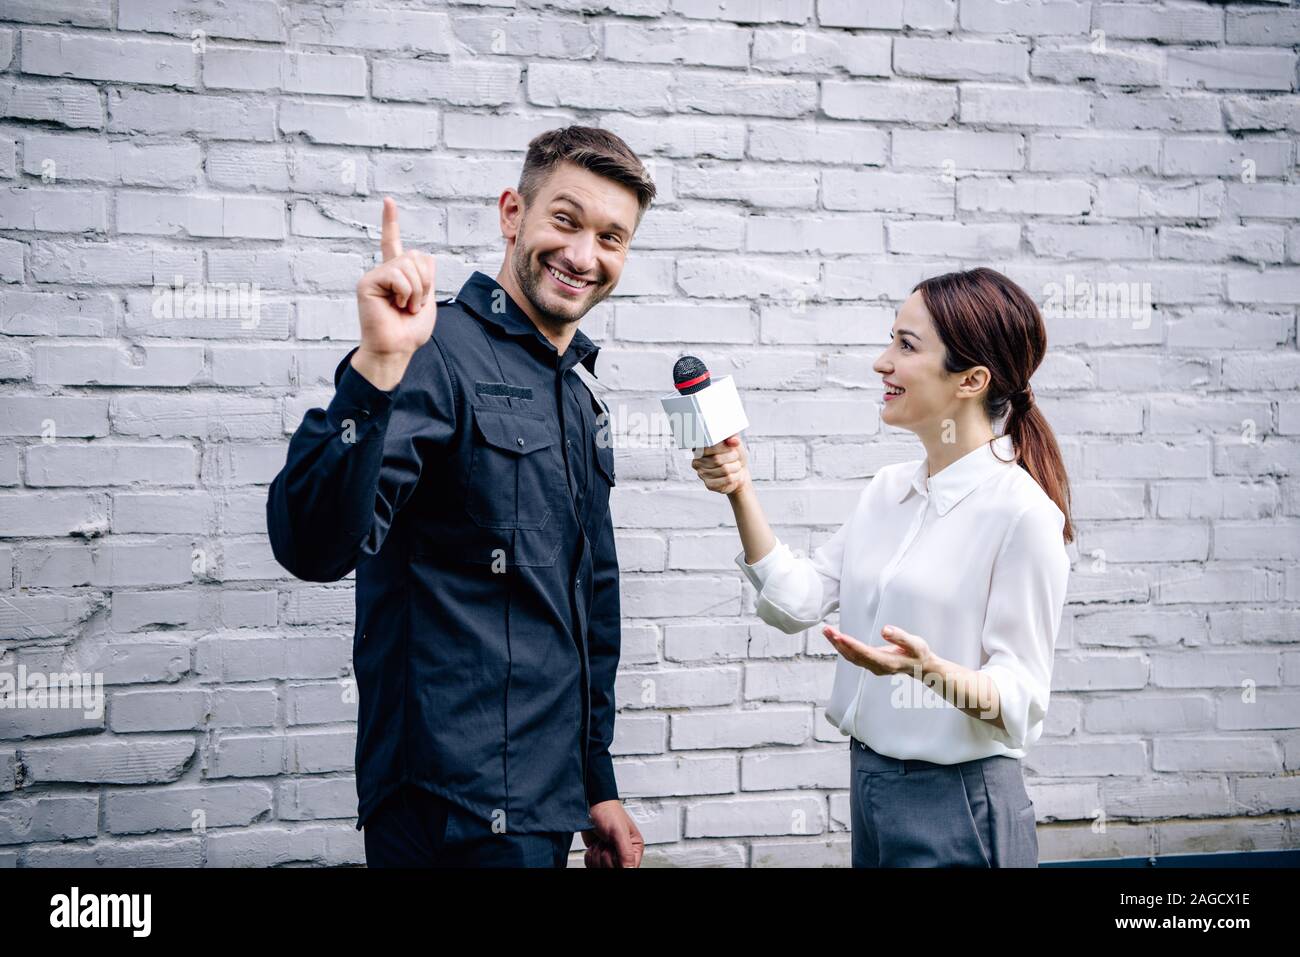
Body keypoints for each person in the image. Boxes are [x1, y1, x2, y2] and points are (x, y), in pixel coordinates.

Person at [266, 127, 655, 867]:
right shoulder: (431, 351)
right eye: (565, 220)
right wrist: (377, 365)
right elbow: (311, 545)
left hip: (542, 806)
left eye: (612, 237)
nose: (584, 255)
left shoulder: (575, 395)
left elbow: (584, 601)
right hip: (451, 812)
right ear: (513, 213)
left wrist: (593, 781)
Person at [691, 267, 1073, 867]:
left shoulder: (1022, 515)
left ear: (971, 379)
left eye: (906, 345)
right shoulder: (887, 490)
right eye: (890, 338)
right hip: (869, 785)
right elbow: (796, 602)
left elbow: (1021, 701)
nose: (881, 362)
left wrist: (928, 670)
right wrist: (740, 489)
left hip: (959, 804)